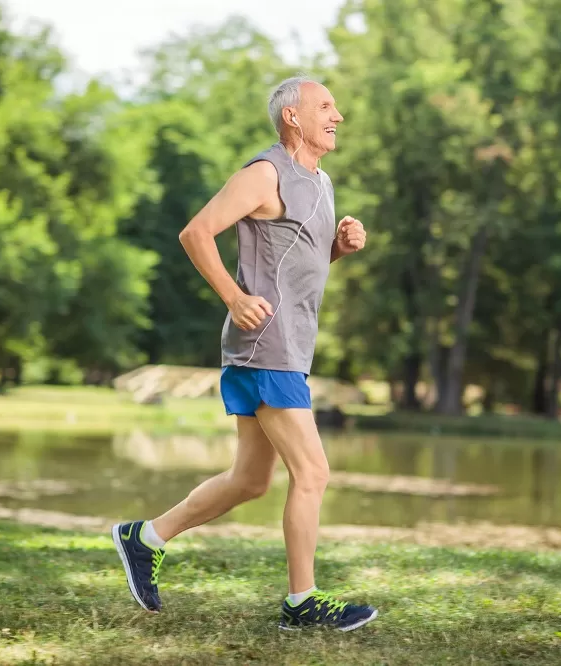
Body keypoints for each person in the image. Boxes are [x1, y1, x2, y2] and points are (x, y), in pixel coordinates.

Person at [111, 75, 378, 632]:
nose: (339, 115)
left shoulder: (322, 183)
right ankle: (302, 601)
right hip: (266, 347)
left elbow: (295, 267)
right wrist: (233, 297)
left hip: (287, 349)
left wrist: (339, 249)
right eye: (325, 106)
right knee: (313, 472)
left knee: (251, 481)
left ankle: (146, 537)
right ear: (292, 118)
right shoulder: (264, 174)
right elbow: (195, 232)